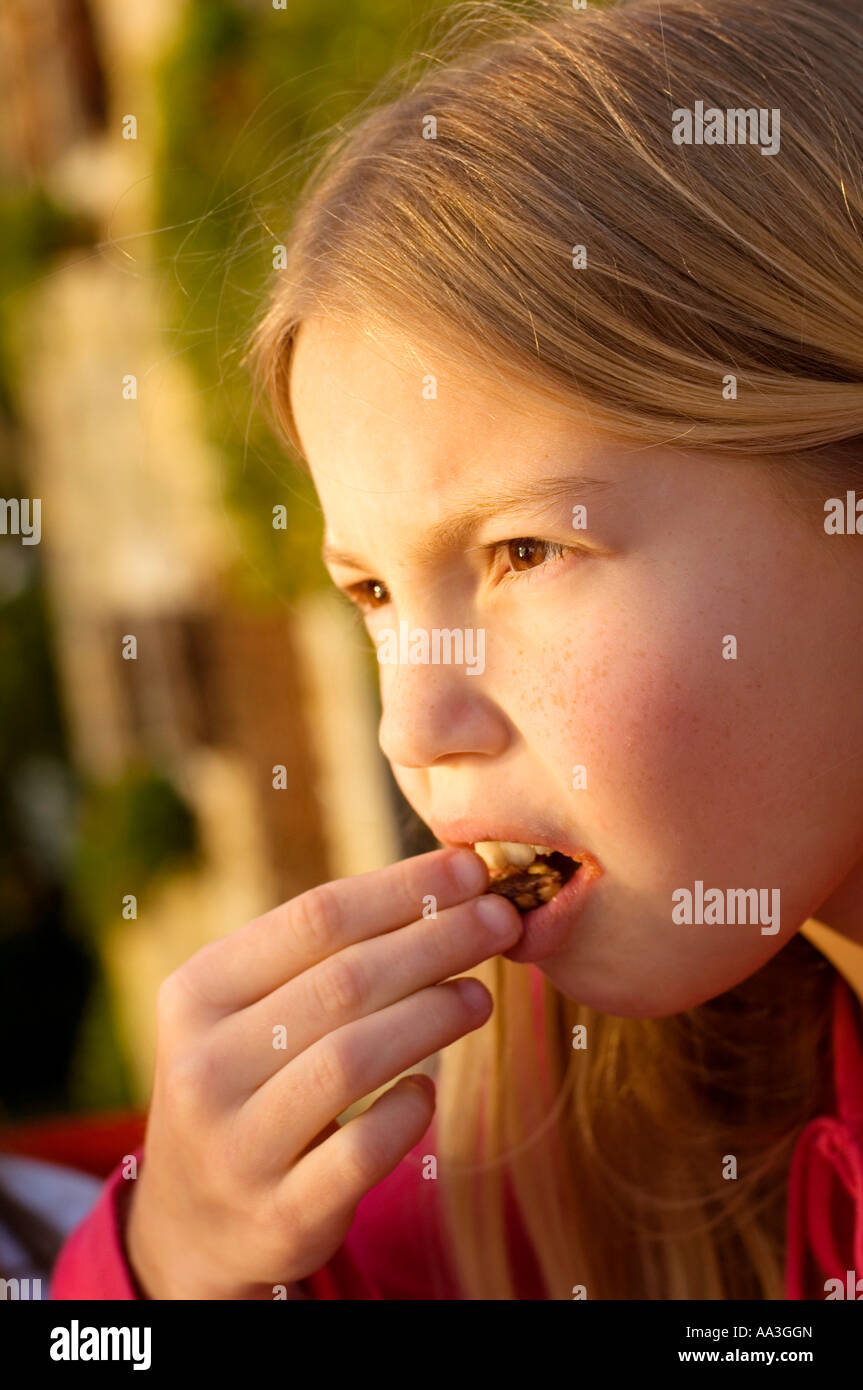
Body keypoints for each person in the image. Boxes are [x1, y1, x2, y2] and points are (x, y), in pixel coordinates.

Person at [52, 0, 863, 1300]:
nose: (412, 726)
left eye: (524, 552)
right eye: (371, 590)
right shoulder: (537, 1140)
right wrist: (172, 1263)